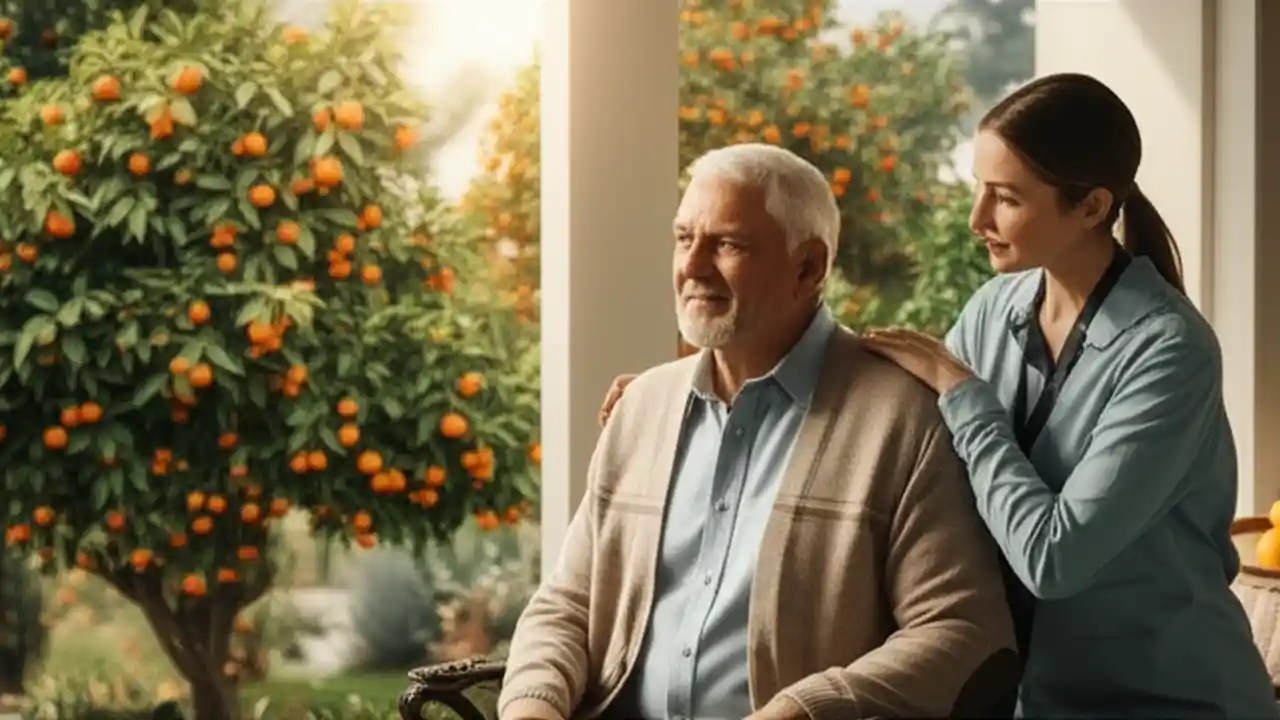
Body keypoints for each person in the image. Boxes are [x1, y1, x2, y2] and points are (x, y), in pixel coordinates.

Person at [603, 74, 1278, 718]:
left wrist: (965, 394)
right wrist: (703, 395)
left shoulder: (1170, 352)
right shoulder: (996, 308)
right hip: (1034, 704)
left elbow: (1054, 559)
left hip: (1172, 702)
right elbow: (905, 417)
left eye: (1006, 198)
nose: (977, 218)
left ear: (1093, 207)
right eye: (979, 189)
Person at [499, 143, 1018, 720]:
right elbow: (568, 603)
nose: (693, 267)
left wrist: (801, 709)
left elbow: (961, 630)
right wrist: (533, 705)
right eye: (684, 238)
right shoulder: (641, 405)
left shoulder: (904, 419)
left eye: (728, 244)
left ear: (809, 267)